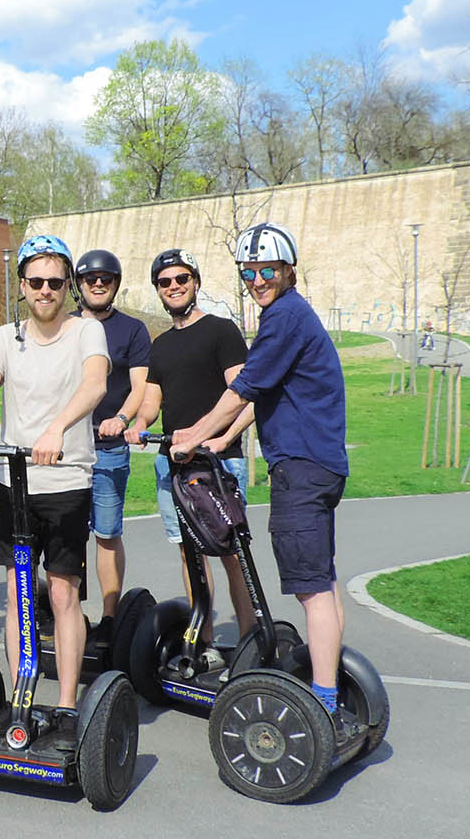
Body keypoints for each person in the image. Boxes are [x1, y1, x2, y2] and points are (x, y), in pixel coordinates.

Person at [170, 222, 361, 743]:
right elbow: (260, 399)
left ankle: (322, 704)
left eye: (266, 270)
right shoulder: (291, 316)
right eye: (248, 272)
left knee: (311, 590)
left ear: (288, 270)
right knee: (322, 583)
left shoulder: (284, 318)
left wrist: (192, 434)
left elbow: (242, 389)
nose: (257, 279)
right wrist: (216, 439)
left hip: (300, 467)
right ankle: (331, 684)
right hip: (318, 464)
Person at [0, 235, 108, 742]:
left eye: (55, 282)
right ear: (22, 285)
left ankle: (65, 706)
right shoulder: (4, 337)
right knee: (17, 594)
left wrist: (56, 429)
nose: (46, 290)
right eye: (36, 282)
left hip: (66, 480)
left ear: (68, 286)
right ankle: (22, 693)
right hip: (14, 482)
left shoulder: (86, 332)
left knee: (64, 595)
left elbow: (95, 385)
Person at [127, 247, 257, 640]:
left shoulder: (221, 330)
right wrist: (139, 424)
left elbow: (247, 394)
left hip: (219, 464)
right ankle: (206, 641)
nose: (174, 287)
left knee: (233, 555)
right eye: (165, 282)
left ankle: (253, 645)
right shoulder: (161, 345)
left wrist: (222, 440)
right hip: (174, 465)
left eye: (182, 279)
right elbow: (151, 400)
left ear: (195, 283)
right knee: (190, 554)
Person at [71, 249, 149, 642]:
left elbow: (139, 388)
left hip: (108, 447)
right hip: (66, 448)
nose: (98, 283)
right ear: (78, 284)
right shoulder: (64, 326)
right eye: (90, 278)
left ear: (115, 283)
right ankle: (68, 616)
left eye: (106, 278)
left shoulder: (132, 330)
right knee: (66, 534)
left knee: (105, 533)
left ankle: (110, 618)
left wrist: (121, 418)